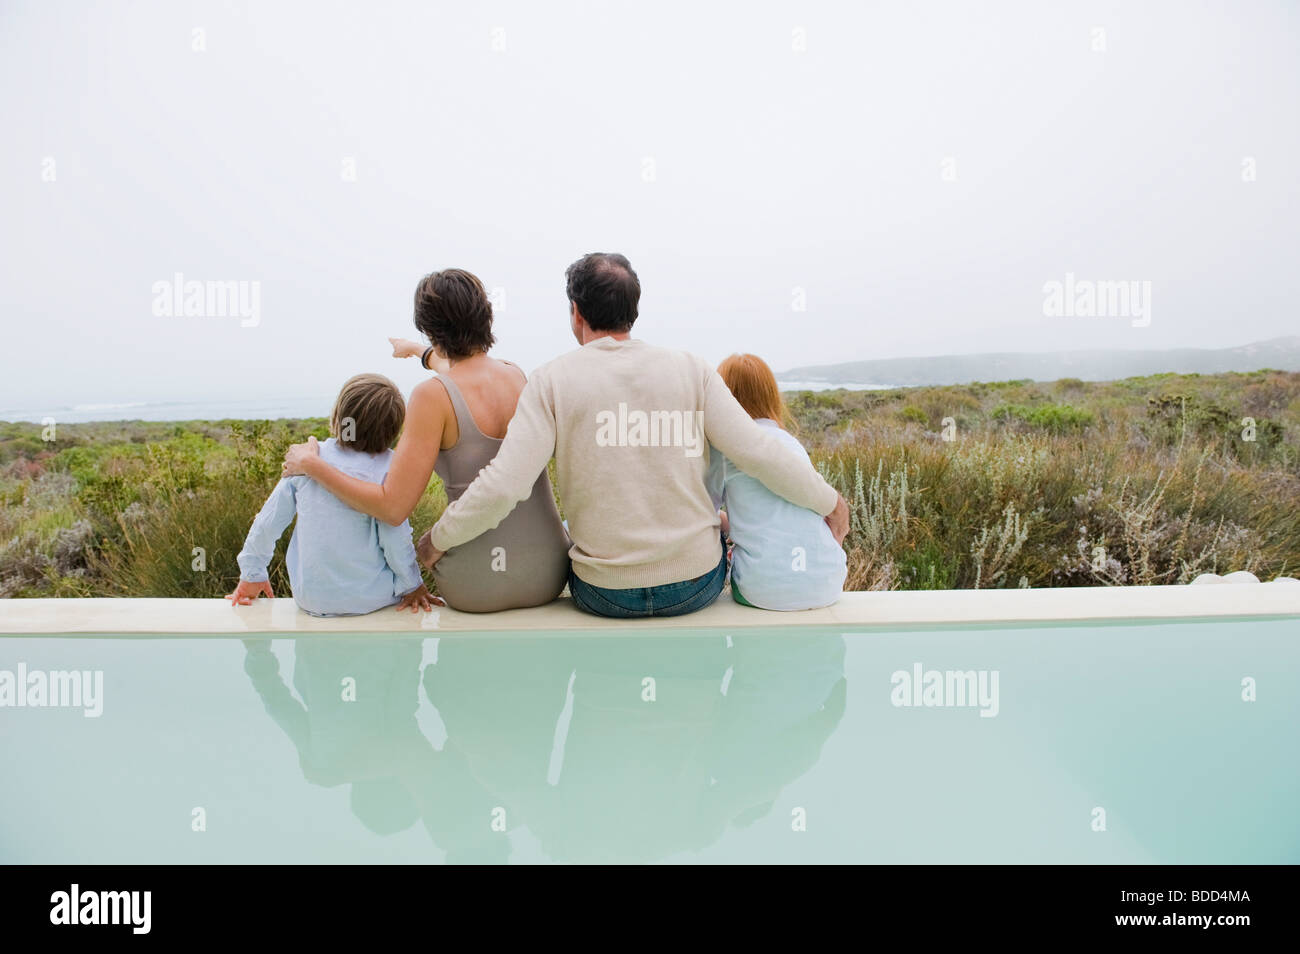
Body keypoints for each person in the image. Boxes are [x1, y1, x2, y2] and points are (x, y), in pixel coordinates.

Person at [393, 252, 850, 619]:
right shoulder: (692, 369)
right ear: (634, 310)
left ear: (576, 313)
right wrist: (831, 502)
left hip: (604, 594)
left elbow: (504, 486)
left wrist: (437, 540)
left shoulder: (551, 381)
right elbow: (758, 453)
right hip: (696, 586)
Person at [281, 269, 571, 613]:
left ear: (430, 329)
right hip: (549, 574)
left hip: (478, 585)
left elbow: (392, 507)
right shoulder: (517, 375)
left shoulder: (430, 397)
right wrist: (419, 352)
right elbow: (466, 377)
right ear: (487, 316)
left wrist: (313, 466)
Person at [226, 373, 434, 616]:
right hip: (369, 599)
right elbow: (394, 538)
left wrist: (253, 572)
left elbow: (268, 522)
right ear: (394, 427)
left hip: (310, 598)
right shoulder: (390, 469)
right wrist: (411, 584)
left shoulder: (307, 459)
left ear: (339, 415)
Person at [707, 354, 847, 610]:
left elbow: (707, 513)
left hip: (761, 590)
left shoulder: (725, 451)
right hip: (828, 583)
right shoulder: (791, 445)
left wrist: (728, 526)